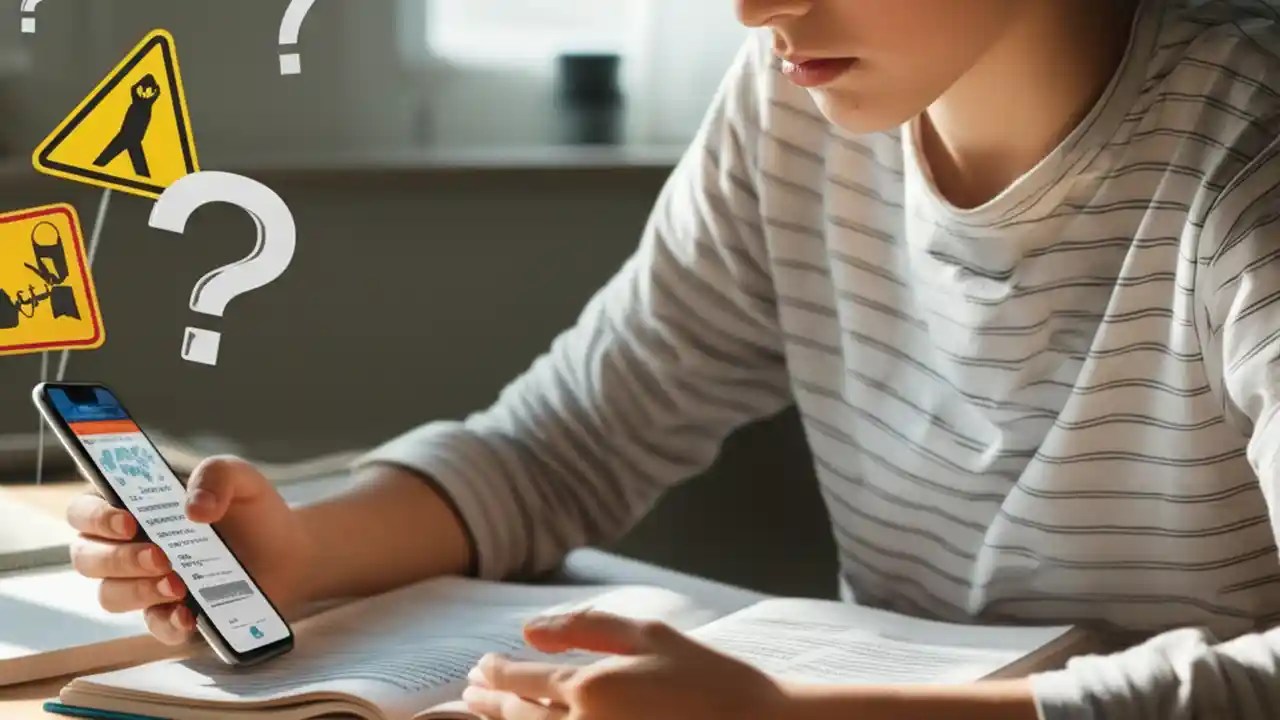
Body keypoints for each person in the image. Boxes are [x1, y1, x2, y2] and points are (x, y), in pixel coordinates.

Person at [63, 0, 1280, 717]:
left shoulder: (1251, 160)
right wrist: (303, 548)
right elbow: (568, 444)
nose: (750, 9)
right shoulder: (791, 104)